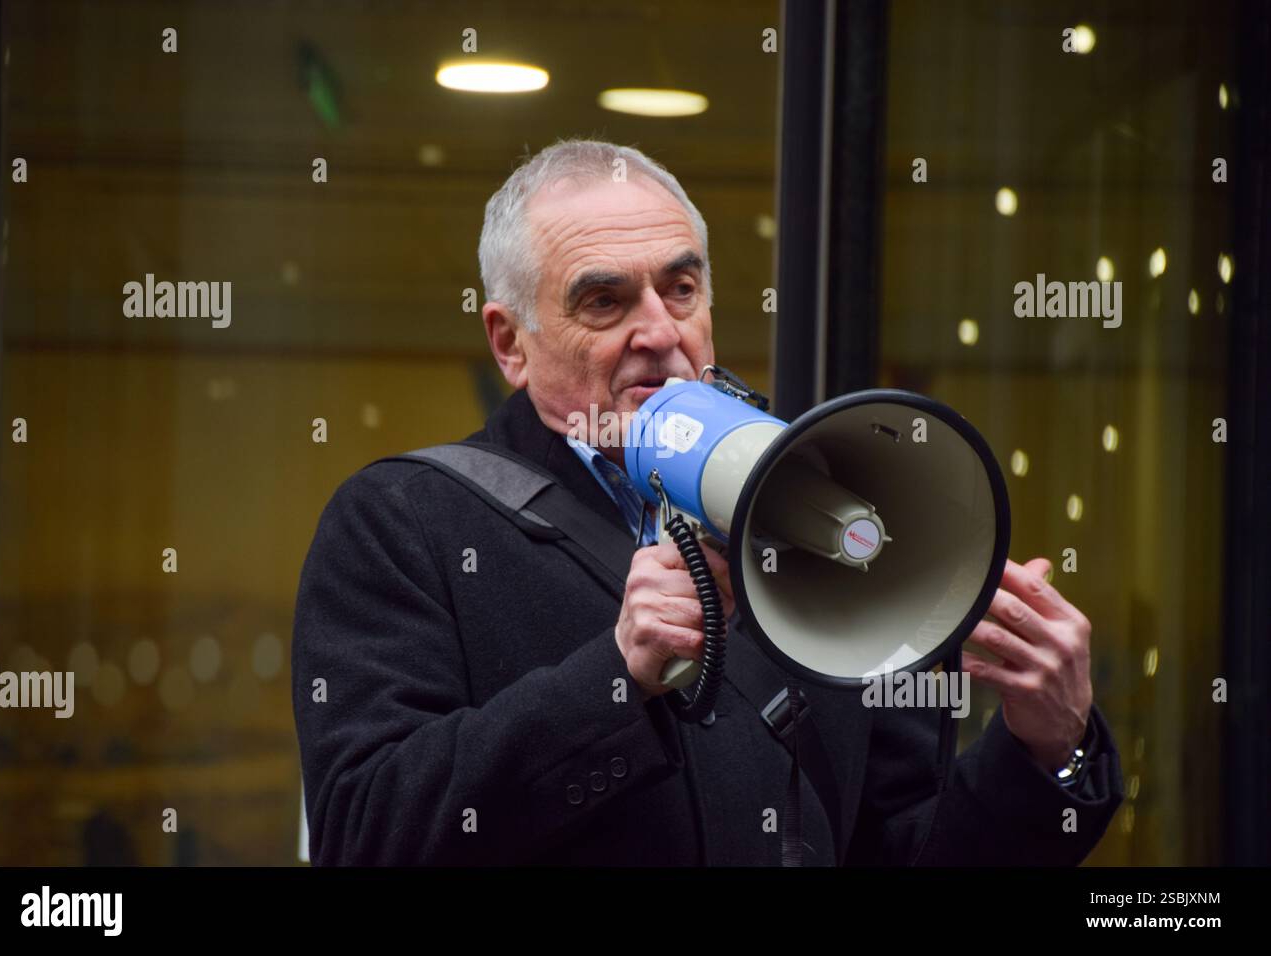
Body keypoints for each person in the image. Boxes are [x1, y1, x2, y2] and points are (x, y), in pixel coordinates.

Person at [292, 138, 1124, 865]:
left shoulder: (825, 499)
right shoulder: (406, 520)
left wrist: (1045, 751)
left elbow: (898, 845)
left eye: (680, 289)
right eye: (604, 300)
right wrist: (613, 681)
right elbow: (365, 831)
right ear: (511, 343)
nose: (659, 331)